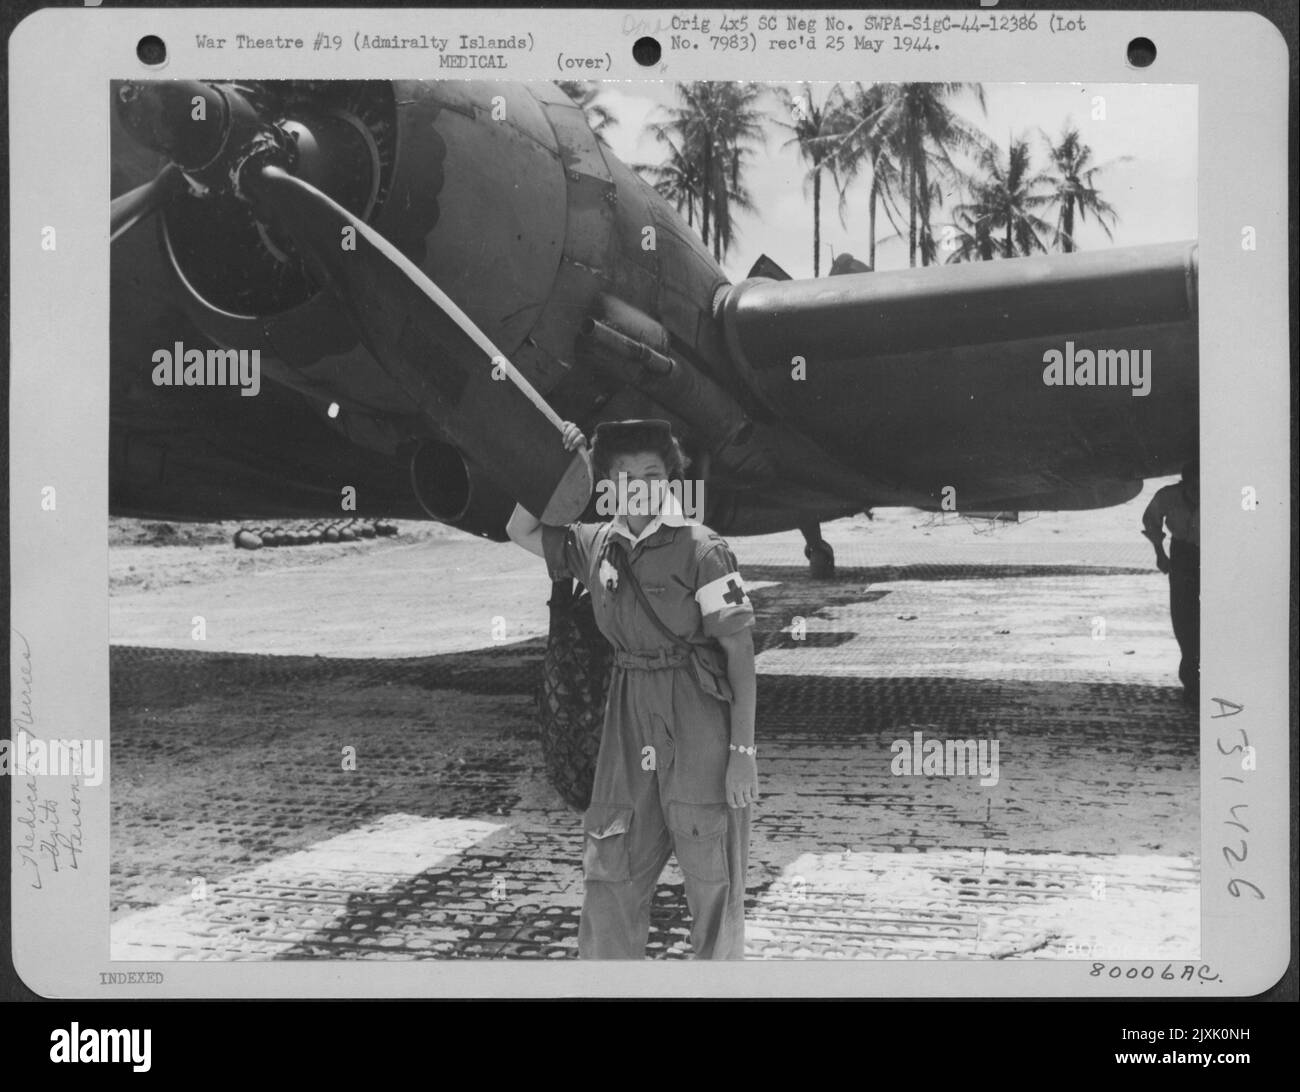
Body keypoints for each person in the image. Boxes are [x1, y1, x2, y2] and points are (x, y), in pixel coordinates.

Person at [507, 418, 758, 959]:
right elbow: (520, 531)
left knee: (711, 879)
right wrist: (556, 465)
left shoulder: (704, 549)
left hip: (697, 715)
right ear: (608, 485)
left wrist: (742, 753)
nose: (639, 485)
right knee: (610, 869)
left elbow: (740, 653)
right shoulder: (595, 544)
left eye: (651, 472)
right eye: (623, 475)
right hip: (627, 712)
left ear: (670, 477)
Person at [1141, 460, 1199, 703]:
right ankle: (1191, 680)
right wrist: (1160, 553)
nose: (1199, 489)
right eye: (1195, 484)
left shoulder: (1221, 494)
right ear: (1185, 482)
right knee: (1183, 615)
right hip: (1182, 554)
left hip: (1212, 553)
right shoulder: (1168, 496)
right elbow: (1151, 520)